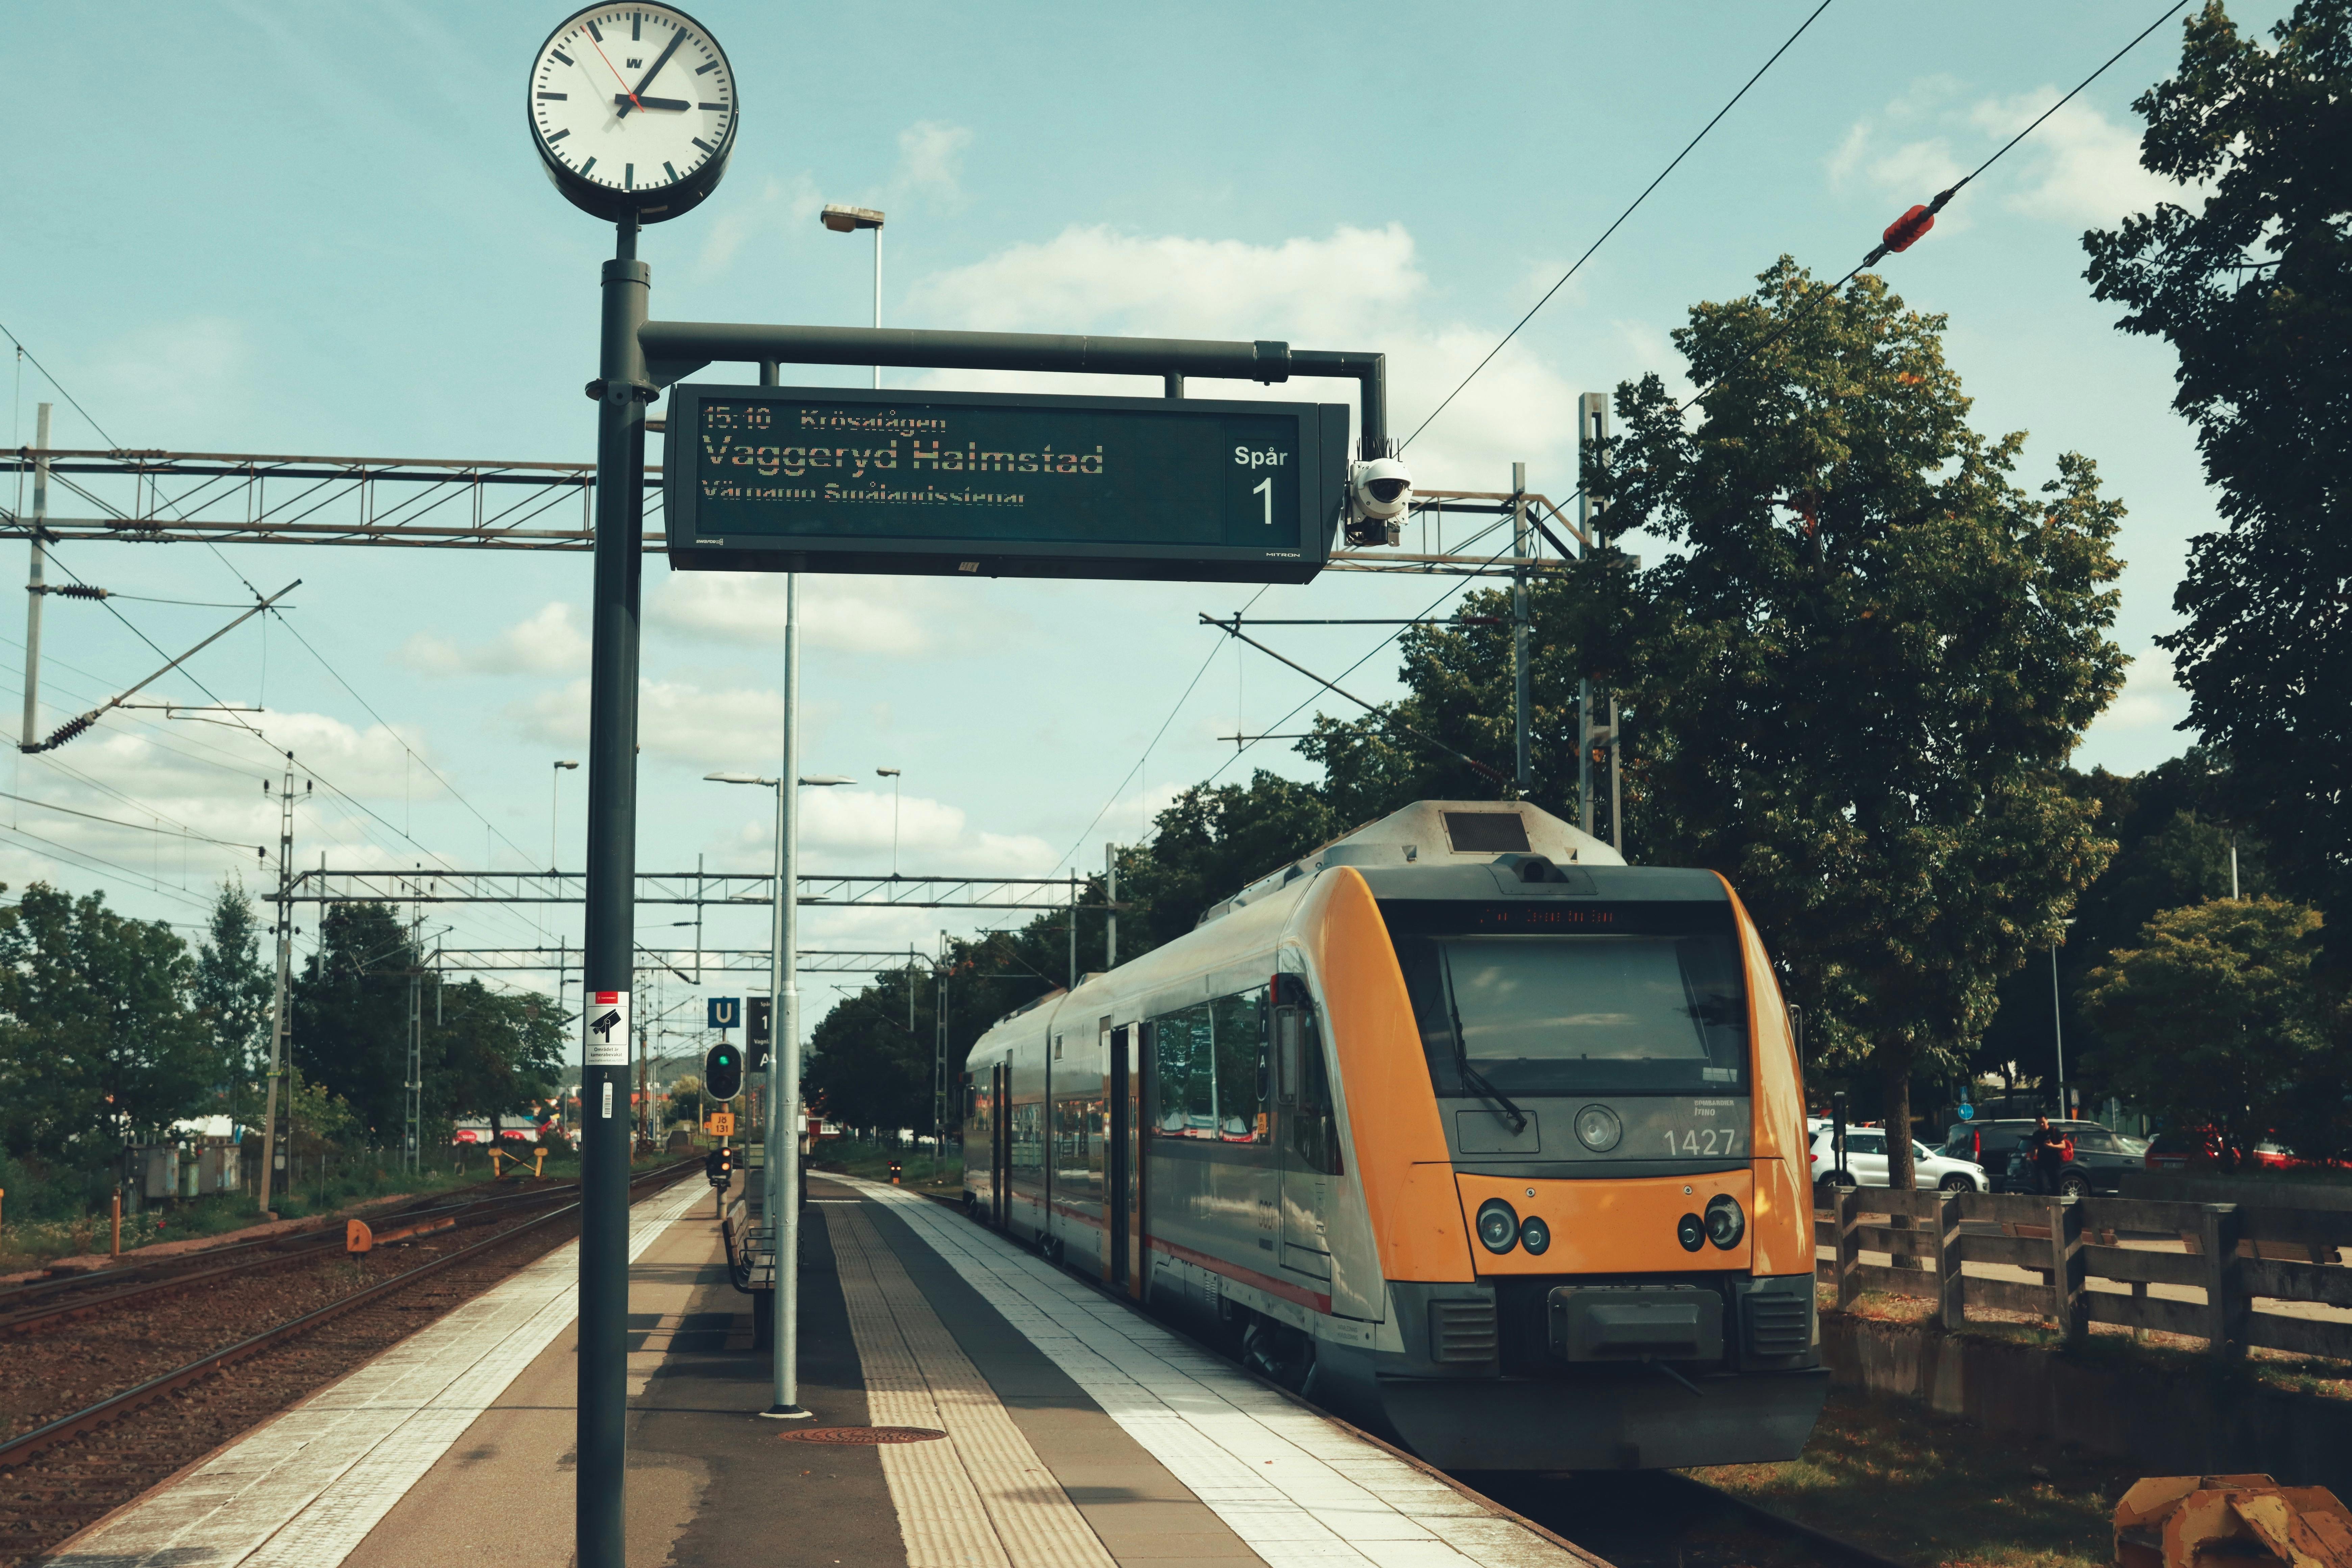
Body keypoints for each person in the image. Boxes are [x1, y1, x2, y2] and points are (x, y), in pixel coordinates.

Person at [2026, 1115, 2067, 1195]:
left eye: (2043, 1122)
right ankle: (2043, 1206)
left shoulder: (2054, 1131)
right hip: (2042, 1164)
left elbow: (2063, 1146)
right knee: (2042, 1187)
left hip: (2055, 1163)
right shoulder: (2037, 1134)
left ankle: (2056, 1206)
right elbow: (2035, 1148)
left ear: (2047, 1121)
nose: (2041, 1125)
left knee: (2056, 1187)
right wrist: (2031, 1157)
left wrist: (2052, 1146)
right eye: (2039, 1123)